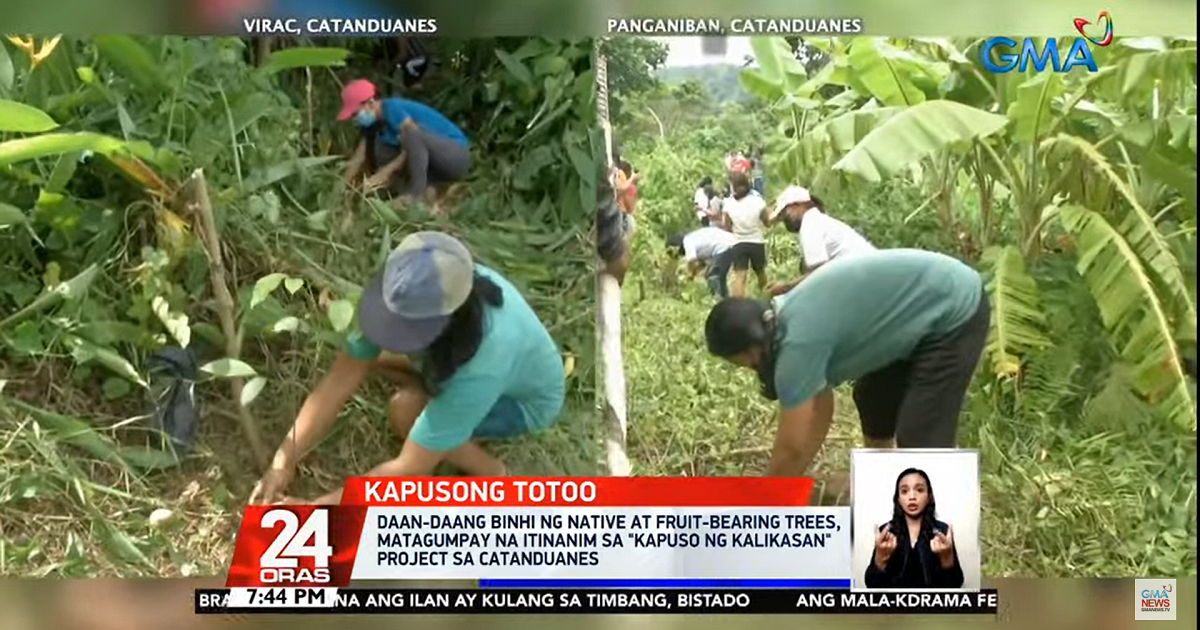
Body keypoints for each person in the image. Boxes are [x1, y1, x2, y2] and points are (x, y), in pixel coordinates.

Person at [249, 232, 566, 505]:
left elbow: (410, 467)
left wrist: (320, 506)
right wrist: (284, 458)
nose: (389, 330)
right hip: (463, 362)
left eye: (404, 331)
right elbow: (338, 381)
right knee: (370, 360)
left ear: (440, 329)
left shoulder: (483, 365)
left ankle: (492, 471)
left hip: (521, 404)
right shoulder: (415, 288)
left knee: (405, 412)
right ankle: (427, 384)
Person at [703, 249, 990, 475]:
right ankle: (882, 482)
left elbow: (790, 447)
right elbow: (821, 410)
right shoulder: (783, 318)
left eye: (738, 362)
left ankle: (940, 532)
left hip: (953, 308)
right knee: (872, 396)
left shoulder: (795, 348)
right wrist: (791, 480)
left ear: (746, 350)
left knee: (919, 437)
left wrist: (765, 502)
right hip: (917, 310)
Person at [338, 78, 470, 206]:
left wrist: (384, 174)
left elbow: (413, 140)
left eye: (356, 113)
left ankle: (415, 194)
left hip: (454, 155)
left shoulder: (392, 108)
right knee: (383, 150)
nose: (355, 118)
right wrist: (341, 188)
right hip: (432, 168)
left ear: (371, 103)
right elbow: (358, 157)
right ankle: (426, 192)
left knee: (411, 134)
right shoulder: (374, 125)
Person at [766, 185, 876, 295]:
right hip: (869, 272)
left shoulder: (810, 224)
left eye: (785, 213)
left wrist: (785, 288)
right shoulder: (819, 220)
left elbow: (819, 274)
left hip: (866, 276)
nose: (784, 220)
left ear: (798, 205)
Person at [865, 468, 964, 589]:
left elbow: (956, 584)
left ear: (928, 497)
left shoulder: (942, 532)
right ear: (898, 499)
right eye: (904, 491)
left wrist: (946, 559)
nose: (912, 496)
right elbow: (871, 585)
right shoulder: (887, 533)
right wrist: (880, 559)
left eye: (919, 490)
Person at [720, 170, 770, 297]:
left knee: (739, 277)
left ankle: (738, 306)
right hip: (756, 242)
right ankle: (766, 296)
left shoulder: (728, 204)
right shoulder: (758, 201)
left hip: (738, 243)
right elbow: (767, 222)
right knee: (761, 273)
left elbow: (726, 226)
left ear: (734, 187)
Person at [667, 227, 738, 298]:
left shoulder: (687, 241)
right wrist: (693, 274)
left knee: (713, 277)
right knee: (719, 277)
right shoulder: (696, 241)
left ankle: (718, 299)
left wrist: (689, 274)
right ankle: (725, 299)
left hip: (725, 246)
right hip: (731, 244)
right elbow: (702, 264)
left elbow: (691, 261)